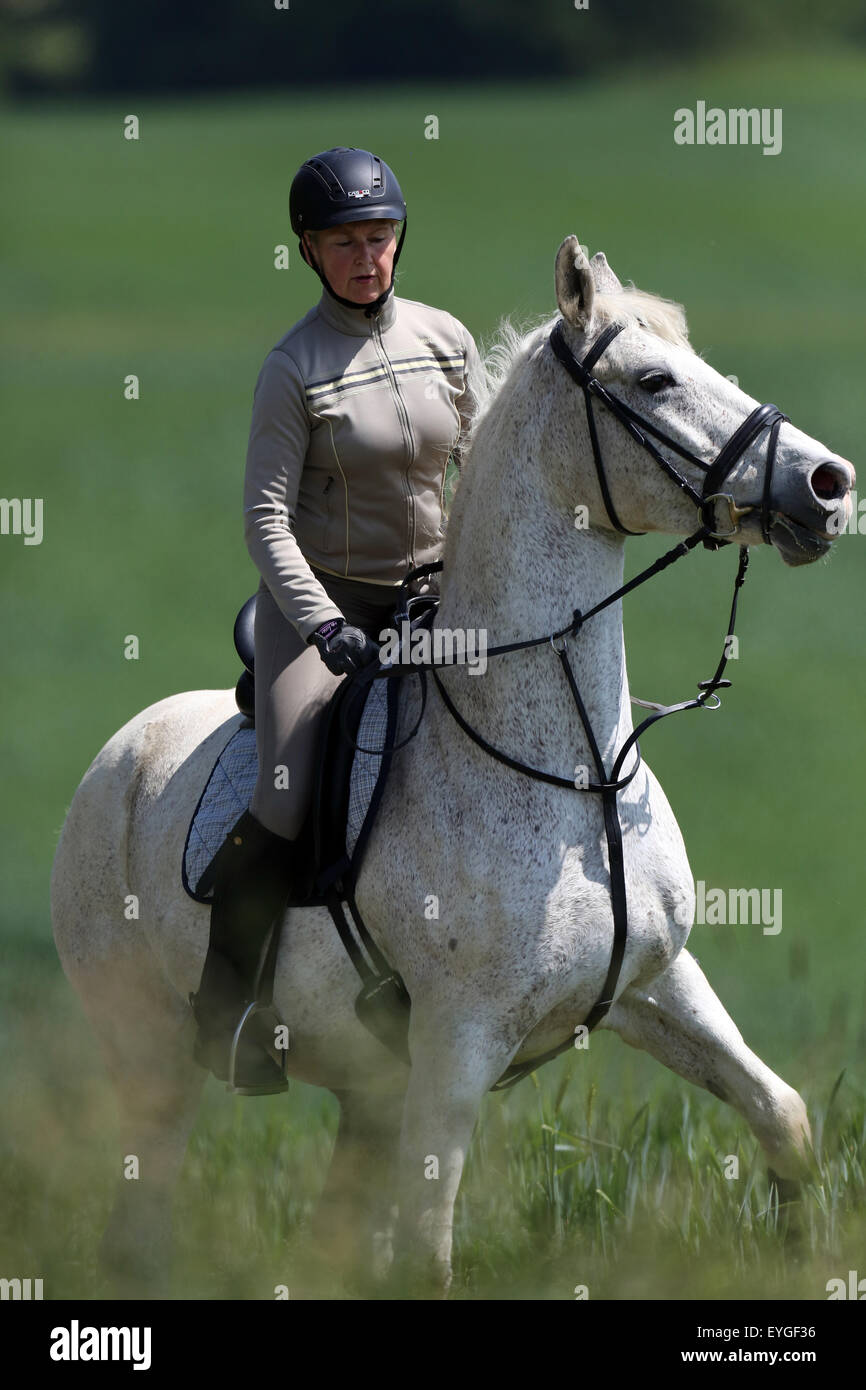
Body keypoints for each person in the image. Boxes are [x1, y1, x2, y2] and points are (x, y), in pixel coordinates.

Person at [190, 146, 484, 1092]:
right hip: (319, 609)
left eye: (381, 237)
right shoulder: (294, 366)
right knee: (287, 787)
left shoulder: (446, 339)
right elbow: (264, 519)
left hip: (433, 601)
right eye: (345, 242)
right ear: (310, 252)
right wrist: (322, 624)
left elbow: (477, 478)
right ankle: (229, 1007)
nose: (368, 257)